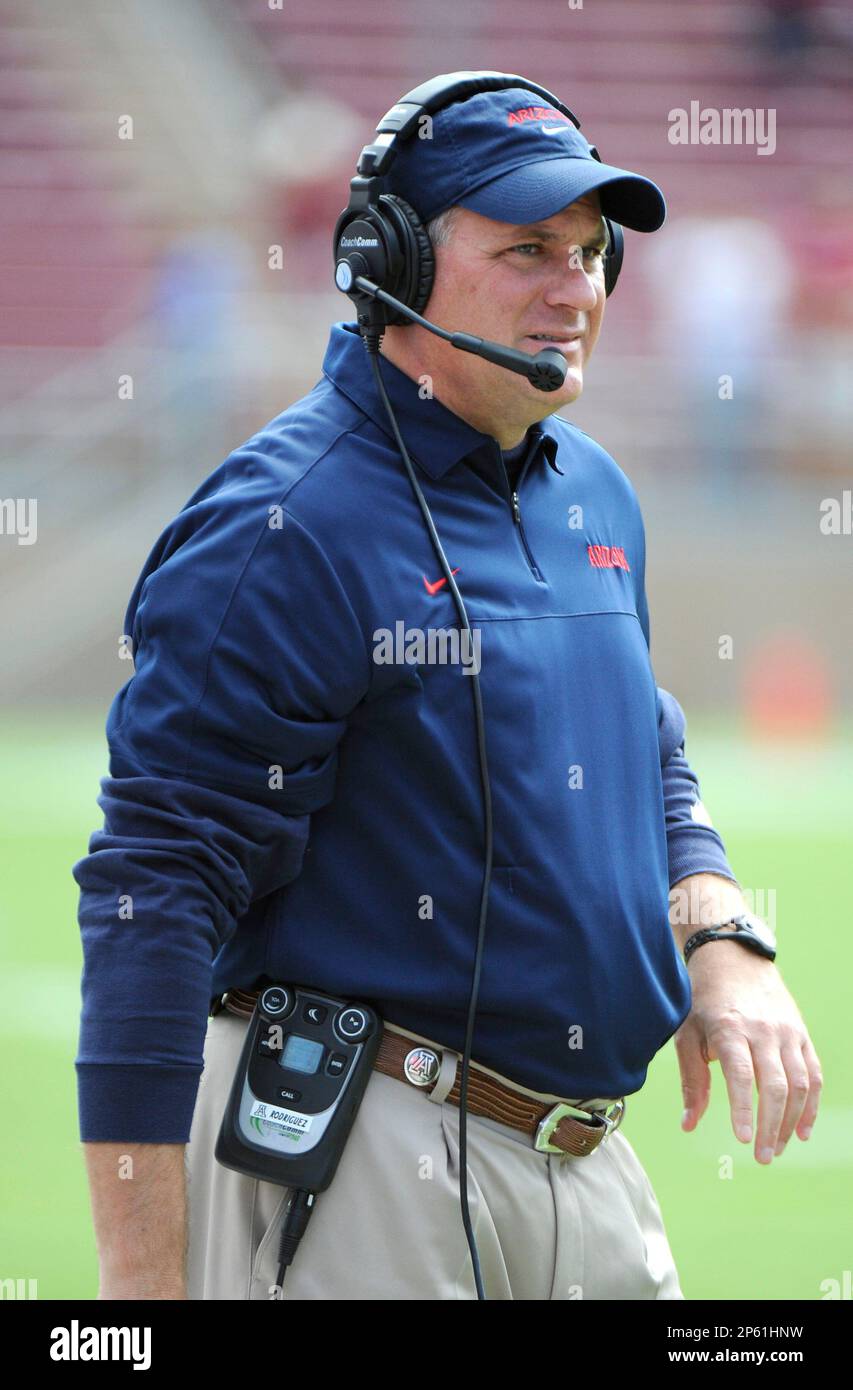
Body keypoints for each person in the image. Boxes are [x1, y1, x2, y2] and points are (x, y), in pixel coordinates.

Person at [73, 74, 822, 1302]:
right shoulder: (287, 521)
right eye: (527, 246)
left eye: (590, 252)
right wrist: (142, 1302)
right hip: (363, 1160)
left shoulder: (593, 491)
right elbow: (154, 899)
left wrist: (722, 936)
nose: (574, 287)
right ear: (392, 260)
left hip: (589, 1162)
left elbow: (649, 748)